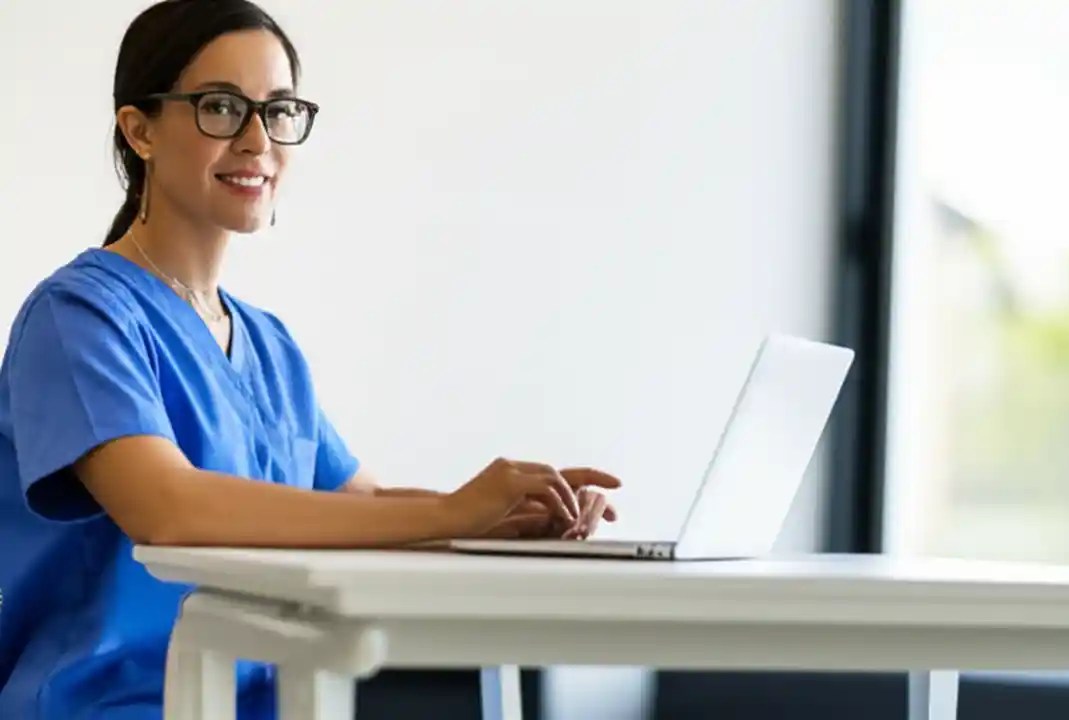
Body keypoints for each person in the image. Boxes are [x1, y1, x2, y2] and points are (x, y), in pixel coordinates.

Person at [0, 1, 621, 717]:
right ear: (139, 130)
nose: (258, 139)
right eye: (221, 107)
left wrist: (512, 519)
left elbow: (359, 508)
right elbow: (167, 508)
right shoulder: (80, 316)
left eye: (279, 109)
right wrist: (458, 512)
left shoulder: (269, 346)